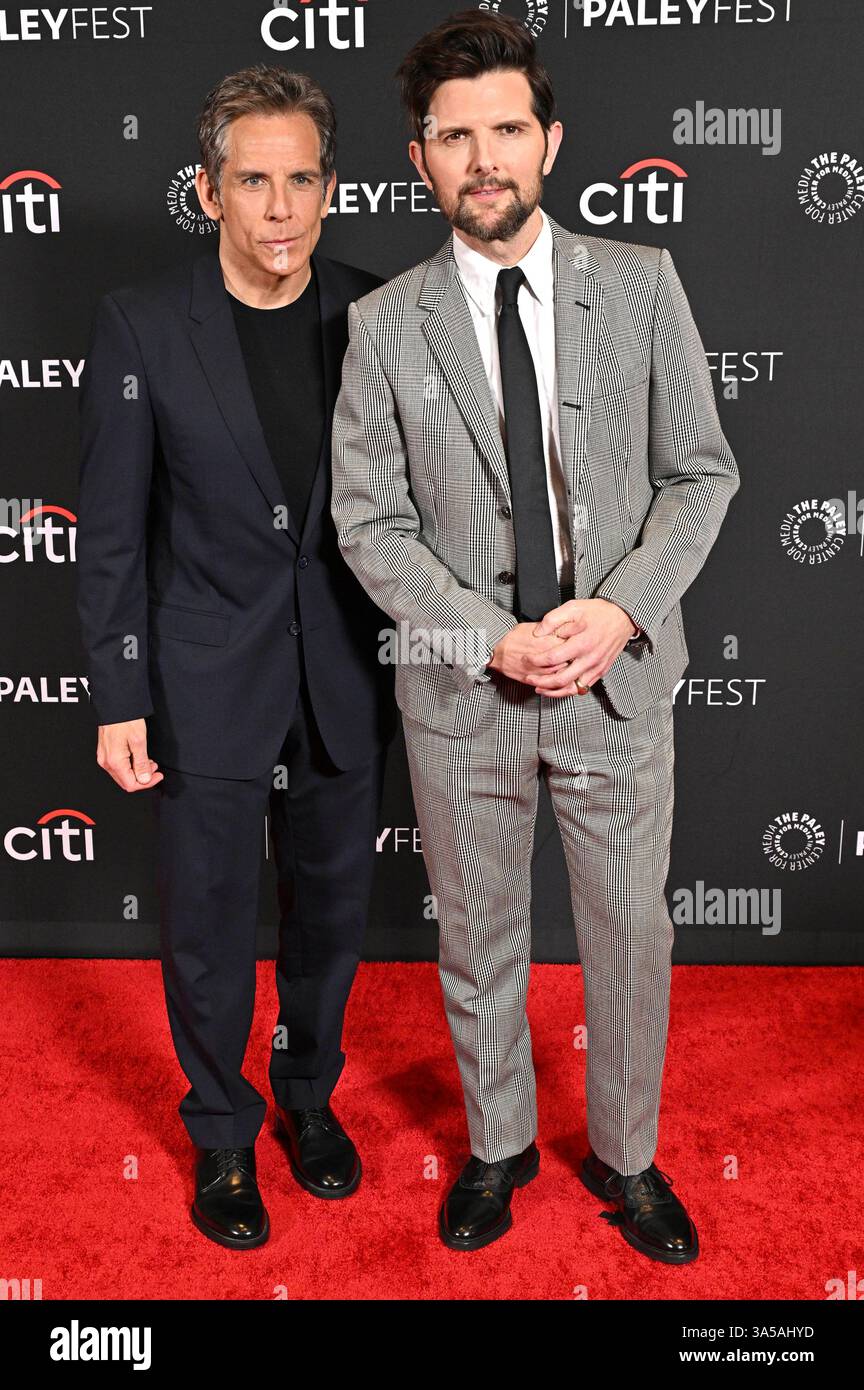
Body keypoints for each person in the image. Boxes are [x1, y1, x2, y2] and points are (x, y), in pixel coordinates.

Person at [331, 11, 739, 1261]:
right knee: (479, 939)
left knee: (630, 934)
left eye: (506, 129)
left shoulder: (642, 279)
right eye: (456, 138)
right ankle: (498, 1147)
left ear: (549, 142)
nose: (484, 158)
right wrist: (487, 638)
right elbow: (370, 519)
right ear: (421, 162)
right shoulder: (384, 325)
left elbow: (700, 474)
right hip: (465, 698)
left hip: (618, 684)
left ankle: (629, 1159)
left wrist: (617, 611)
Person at [76, 64, 396, 1251]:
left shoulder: (383, 312)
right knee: (210, 919)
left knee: (333, 914)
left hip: (347, 671)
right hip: (204, 670)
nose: (278, 207)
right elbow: (109, 526)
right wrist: (119, 693)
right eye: (251, 180)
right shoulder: (142, 322)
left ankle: (308, 1100)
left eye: (300, 179)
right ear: (209, 190)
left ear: (328, 188)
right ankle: (220, 1131)